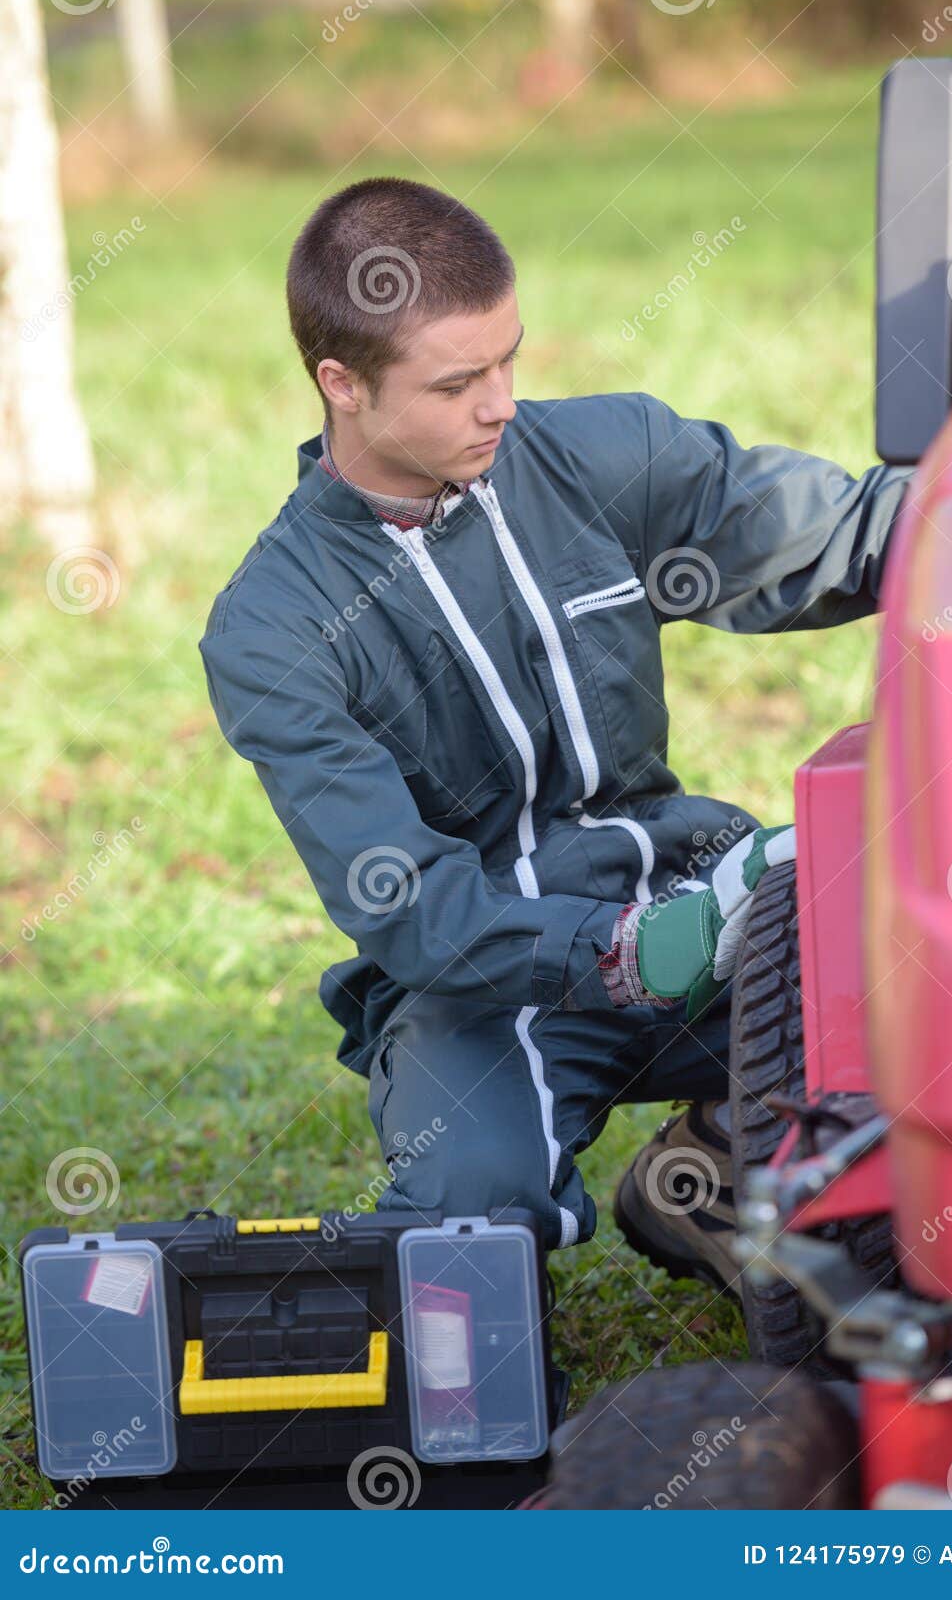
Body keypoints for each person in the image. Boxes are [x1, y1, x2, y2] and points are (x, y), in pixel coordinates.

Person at [199, 176, 910, 1282]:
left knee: (949, 1000)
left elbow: (840, 533)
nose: (500, 405)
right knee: (470, 1222)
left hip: (697, 890)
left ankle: (717, 1172)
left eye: (507, 360)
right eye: (456, 382)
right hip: (486, 979)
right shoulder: (274, 627)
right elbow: (414, 906)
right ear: (340, 384)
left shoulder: (601, 454)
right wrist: (621, 954)